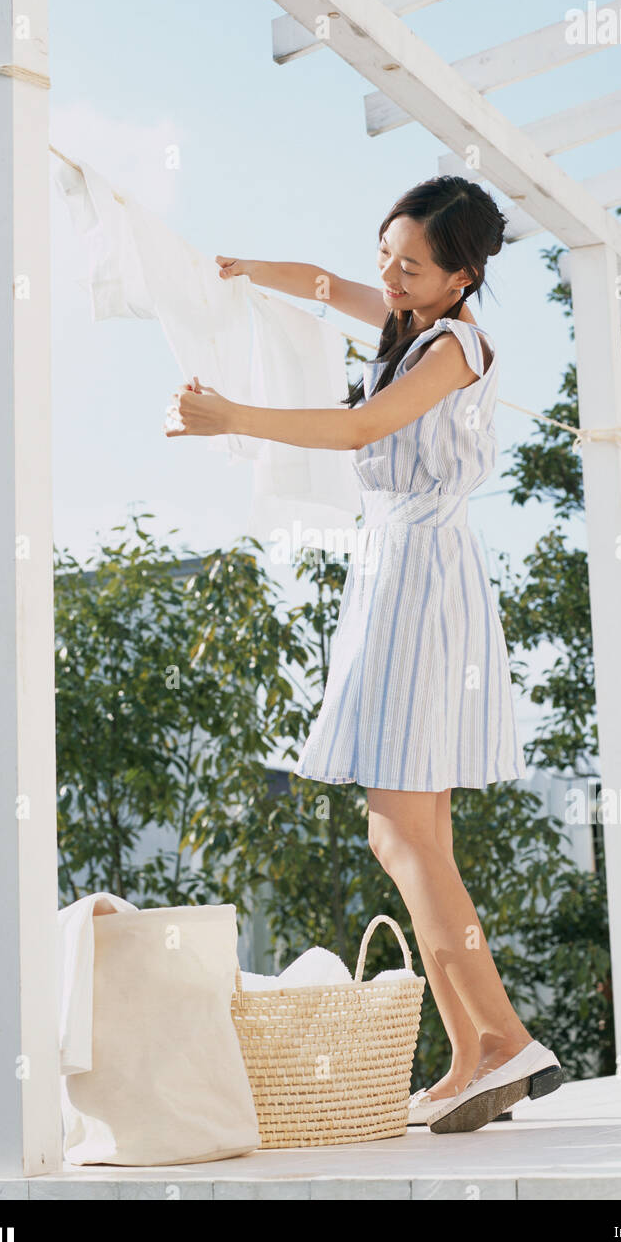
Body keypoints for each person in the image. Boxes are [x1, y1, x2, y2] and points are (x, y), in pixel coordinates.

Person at [164, 175, 561, 1133]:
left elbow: (357, 428)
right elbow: (320, 283)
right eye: (385, 253)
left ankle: (507, 1040)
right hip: (404, 578)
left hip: (417, 586)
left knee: (398, 836)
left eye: (410, 264)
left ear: (462, 276)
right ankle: (475, 1053)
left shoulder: (453, 345)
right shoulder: (409, 316)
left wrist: (236, 417)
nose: (387, 274)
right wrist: (241, 272)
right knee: (421, 841)